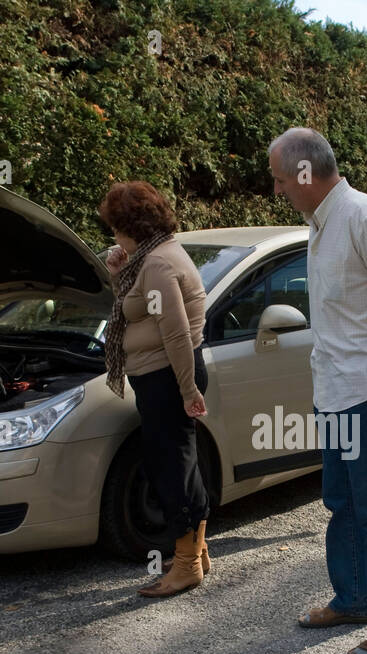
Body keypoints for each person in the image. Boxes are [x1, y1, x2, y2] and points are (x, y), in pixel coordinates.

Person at [268, 127, 367, 654]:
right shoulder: (322, 222)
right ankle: (356, 599)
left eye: (282, 179)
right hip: (334, 388)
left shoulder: (361, 215)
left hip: (365, 389)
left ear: (307, 173)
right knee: (343, 503)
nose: (278, 189)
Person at [98, 181, 211, 597]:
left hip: (168, 377)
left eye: (115, 227)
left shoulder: (158, 265)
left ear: (131, 226)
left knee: (172, 469)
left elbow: (177, 334)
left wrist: (186, 391)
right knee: (181, 463)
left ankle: (185, 565)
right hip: (163, 377)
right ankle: (195, 553)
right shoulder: (150, 258)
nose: (113, 236)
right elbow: (136, 310)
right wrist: (116, 276)